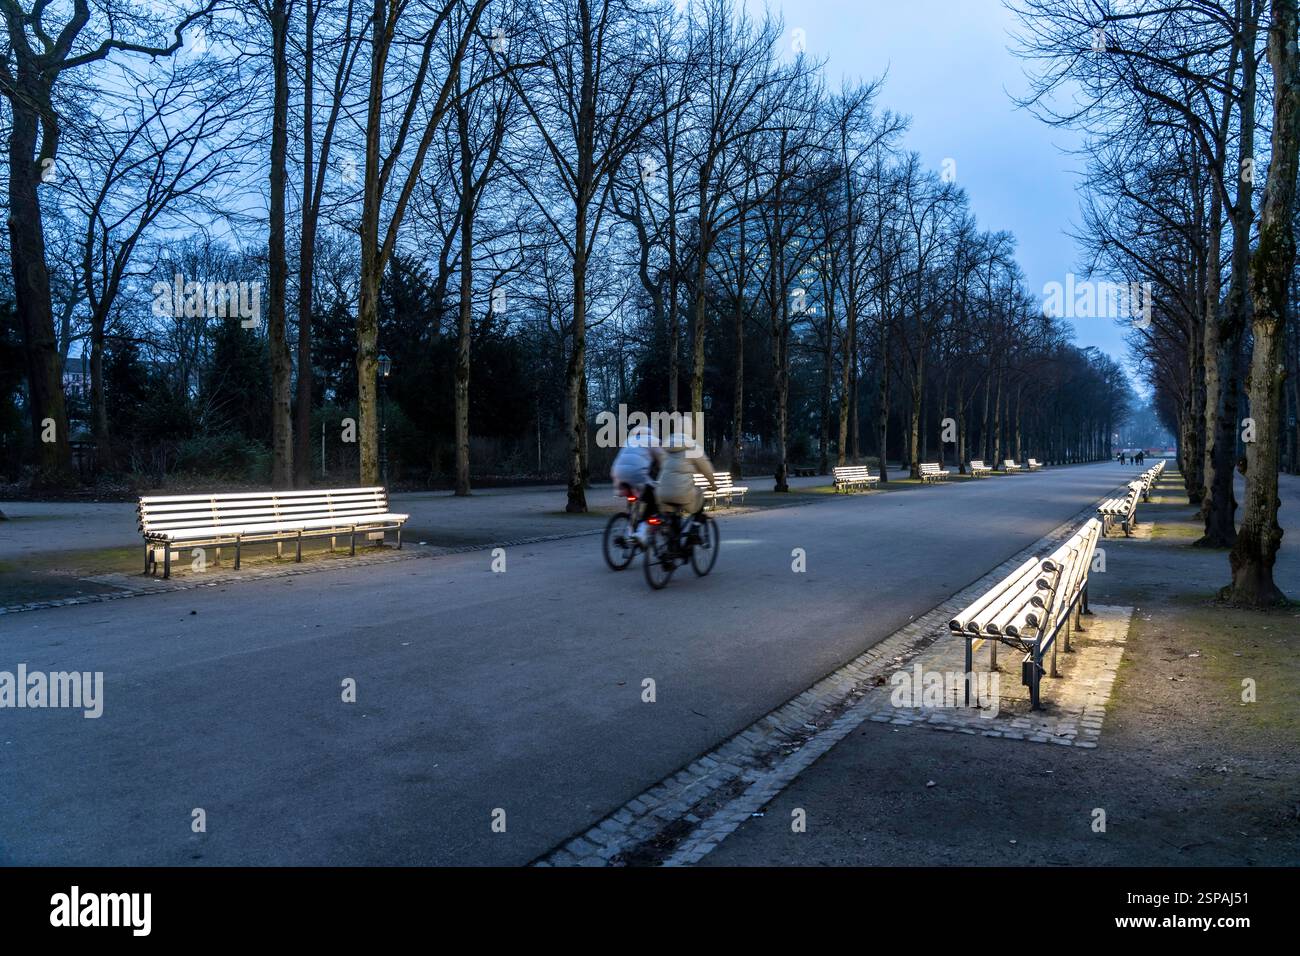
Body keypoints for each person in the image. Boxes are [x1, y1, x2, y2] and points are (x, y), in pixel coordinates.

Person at [656, 432, 717, 553]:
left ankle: (671, 550)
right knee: (700, 499)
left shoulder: (667, 450)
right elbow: (707, 469)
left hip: (662, 492)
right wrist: (713, 484)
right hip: (682, 493)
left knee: (672, 515)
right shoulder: (692, 448)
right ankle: (694, 532)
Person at [610, 425, 664, 544]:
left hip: (617, 473)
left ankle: (629, 530)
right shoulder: (653, 440)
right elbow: (664, 461)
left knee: (633, 497)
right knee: (653, 499)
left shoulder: (629, 441)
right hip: (637, 474)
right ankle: (641, 531)